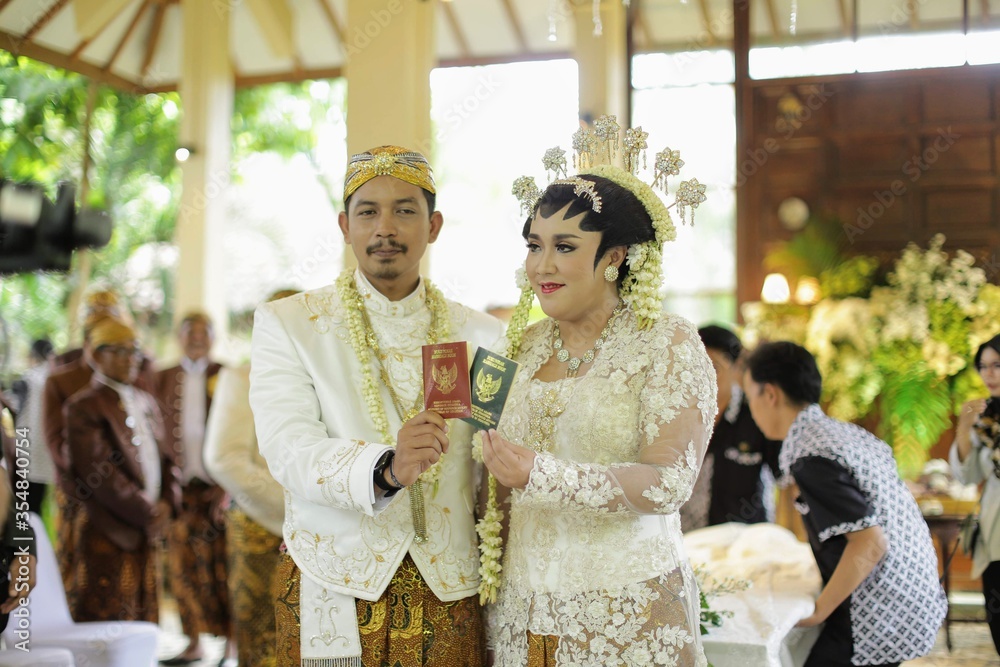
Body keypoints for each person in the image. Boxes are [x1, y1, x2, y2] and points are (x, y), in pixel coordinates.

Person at [249, 145, 505, 667]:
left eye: (405, 210)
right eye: (368, 211)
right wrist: (386, 466)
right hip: (333, 575)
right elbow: (288, 448)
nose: (385, 227)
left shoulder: (484, 336)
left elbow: (492, 466)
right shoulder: (289, 324)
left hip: (450, 585)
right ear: (345, 225)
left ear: (433, 226)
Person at [478, 134, 718, 665]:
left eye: (564, 247)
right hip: (522, 614)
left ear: (615, 256)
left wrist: (541, 474)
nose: (541, 265)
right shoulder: (517, 345)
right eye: (534, 245)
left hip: (623, 613)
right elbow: (479, 463)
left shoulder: (668, 344)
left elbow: (668, 483)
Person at [744, 341, 945, 667]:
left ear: (770, 394)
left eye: (750, 395)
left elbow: (869, 543)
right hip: (911, 590)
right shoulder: (836, 433)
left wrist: (820, 610)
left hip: (879, 603)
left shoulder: (812, 453)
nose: (751, 409)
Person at [62, 317, 179, 622]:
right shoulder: (84, 406)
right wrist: (147, 512)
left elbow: (167, 458)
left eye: (135, 351)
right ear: (97, 355)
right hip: (110, 528)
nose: (131, 359)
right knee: (110, 614)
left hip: (145, 527)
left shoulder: (144, 400)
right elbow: (98, 474)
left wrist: (168, 501)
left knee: (144, 618)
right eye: (121, 351)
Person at [203, 289, 297, 667]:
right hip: (261, 523)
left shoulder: (320, 377)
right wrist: (294, 503)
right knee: (263, 637)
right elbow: (223, 459)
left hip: (318, 529)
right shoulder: (241, 377)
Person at [42, 289, 154, 596]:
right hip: (84, 493)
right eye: (95, 312)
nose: (102, 317)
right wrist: (101, 479)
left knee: (135, 586)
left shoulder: (136, 370)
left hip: (136, 493)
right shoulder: (62, 375)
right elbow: (59, 446)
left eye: (111, 312)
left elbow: (151, 435)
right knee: (83, 582)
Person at [154, 312, 234, 666]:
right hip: (178, 490)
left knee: (223, 567)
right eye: (190, 333)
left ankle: (232, 643)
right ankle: (194, 641)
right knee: (182, 567)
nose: (197, 339)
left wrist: (227, 487)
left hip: (218, 489)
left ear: (214, 338)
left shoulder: (227, 375)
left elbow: (240, 434)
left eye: (204, 333)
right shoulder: (160, 377)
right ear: (179, 337)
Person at [681, 325, 781, 530]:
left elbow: (786, 481)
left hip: (743, 543)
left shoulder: (756, 416)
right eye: (696, 367)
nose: (704, 376)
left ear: (736, 368)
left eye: (714, 367)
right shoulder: (677, 415)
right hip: (688, 539)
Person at [950, 333, 1000, 654]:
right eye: (983, 366)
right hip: (994, 535)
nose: (988, 374)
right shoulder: (986, 417)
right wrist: (963, 428)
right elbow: (967, 474)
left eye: (997, 365)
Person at [7, 338, 55, 515]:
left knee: (24, 505)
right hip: (50, 451)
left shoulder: (28, 379)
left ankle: (27, 540)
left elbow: (14, 410)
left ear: (33, 355)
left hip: (27, 449)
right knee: (39, 502)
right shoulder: (58, 378)